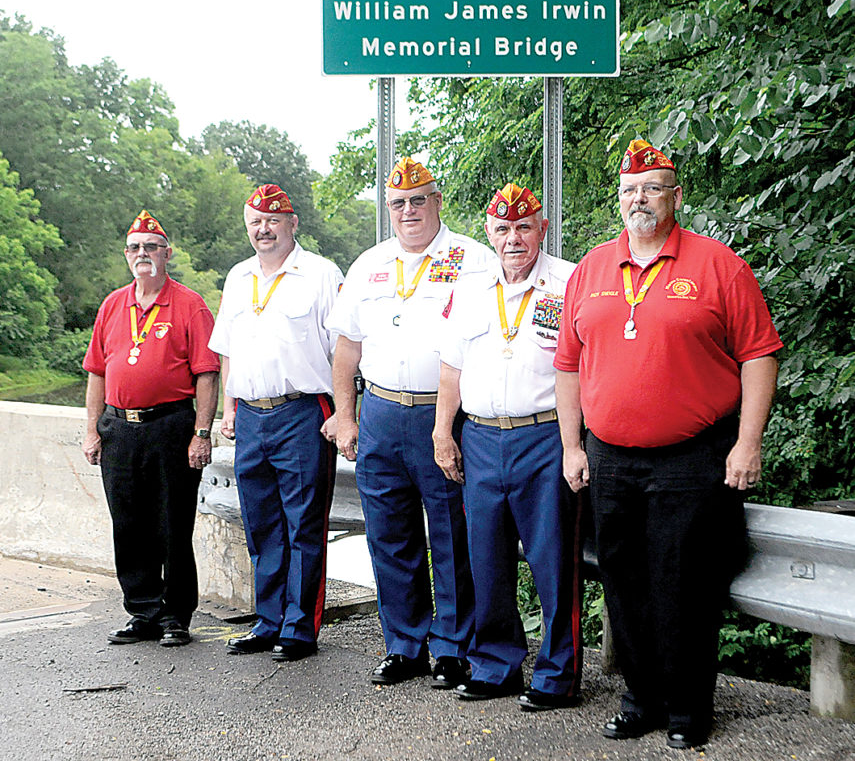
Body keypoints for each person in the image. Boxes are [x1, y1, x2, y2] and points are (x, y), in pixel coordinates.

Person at [554, 139, 782, 749]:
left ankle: (687, 708)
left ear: (675, 196)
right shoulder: (592, 270)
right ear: (619, 201)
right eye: (630, 190)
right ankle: (640, 699)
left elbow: (759, 355)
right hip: (609, 458)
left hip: (693, 457)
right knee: (623, 580)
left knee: (685, 581)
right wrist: (572, 446)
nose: (640, 198)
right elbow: (568, 367)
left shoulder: (718, 265)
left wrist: (747, 442)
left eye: (653, 187)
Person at [326, 156, 493, 689]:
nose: (408, 210)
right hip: (379, 411)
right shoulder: (368, 264)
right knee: (388, 533)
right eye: (398, 203)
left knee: (450, 533)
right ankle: (404, 643)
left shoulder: (474, 259)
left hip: (442, 417)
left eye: (418, 199)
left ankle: (452, 645)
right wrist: (345, 416)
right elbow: (346, 347)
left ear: (437, 201)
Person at [432, 183, 584, 711]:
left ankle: (558, 674)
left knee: (552, 560)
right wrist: (441, 433)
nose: (513, 238)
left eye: (524, 227)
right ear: (490, 233)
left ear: (541, 228)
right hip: (479, 437)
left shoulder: (570, 281)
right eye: (502, 229)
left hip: (544, 436)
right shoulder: (470, 287)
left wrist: (574, 443)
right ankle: (496, 665)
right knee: (486, 558)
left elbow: (588, 364)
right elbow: (450, 368)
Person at [208, 184, 343, 662]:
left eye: (272, 220)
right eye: (255, 222)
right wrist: (229, 408)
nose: (263, 230)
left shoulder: (321, 275)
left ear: (292, 223)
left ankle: (299, 627)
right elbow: (227, 350)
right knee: (262, 522)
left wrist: (344, 412)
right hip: (250, 416)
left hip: (302, 412)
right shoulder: (238, 277)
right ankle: (267, 620)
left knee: (304, 523)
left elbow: (344, 350)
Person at [82, 210, 220, 647]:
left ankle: (176, 615)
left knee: (172, 523)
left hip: (171, 426)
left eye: (152, 247)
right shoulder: (112, 304)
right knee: (128, 523)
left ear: (167, 254)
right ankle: (142, 610)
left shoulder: (189, 304)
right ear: (127, 256)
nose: (144, 254)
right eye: (136, 247)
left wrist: (202, 431)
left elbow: (207, 374)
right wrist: (92, 429)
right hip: (119, 428)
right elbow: (96, 372)